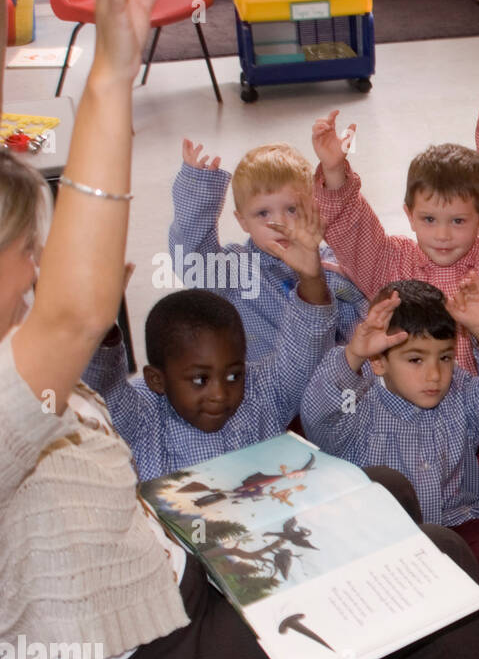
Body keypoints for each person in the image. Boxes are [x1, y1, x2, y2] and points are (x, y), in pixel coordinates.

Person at [0, 0, 479, 659]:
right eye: (26, 247)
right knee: (443, 564)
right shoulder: (17, 380)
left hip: (165, 591)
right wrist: (112, 71)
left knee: (390, 491)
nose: (42, 262)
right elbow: (83, 310)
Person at [311, 112, 479, 491]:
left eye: (458, 221)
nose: (442, 235)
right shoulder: (392, 261)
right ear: (409, 215)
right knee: (416, 502)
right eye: (429, 219)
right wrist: (334, 172)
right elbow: (353, 231)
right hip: (409, 428)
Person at [301, 275, 479, 590]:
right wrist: (353, 355)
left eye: (445, 357)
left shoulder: (460, 393)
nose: (434, 375)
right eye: (415, 359)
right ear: (379, 361)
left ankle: (443, 590)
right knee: (344, 560)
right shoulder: (358, 399)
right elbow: (319, 417)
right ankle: (450, 590)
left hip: (455, 527)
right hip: (381, 541)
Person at [82, 200, 336, 481]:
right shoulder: (142, 416)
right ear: (157, 380)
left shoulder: (259, 395)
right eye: (200, 380)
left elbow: (302, 350)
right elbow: (101, 387)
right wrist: (101, 325)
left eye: (233, 375)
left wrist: (311, 278)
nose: (219, 394)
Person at [167, 139, 367, 362]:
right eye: (263, 213)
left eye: (291, 209)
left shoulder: (333, 265)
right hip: (267, 391)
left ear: (313, 207)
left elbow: (366, 327)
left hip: (332, 387)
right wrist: (199, 192)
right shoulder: (235, 269)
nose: (278, 223)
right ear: (243, 221)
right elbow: (193, 260)